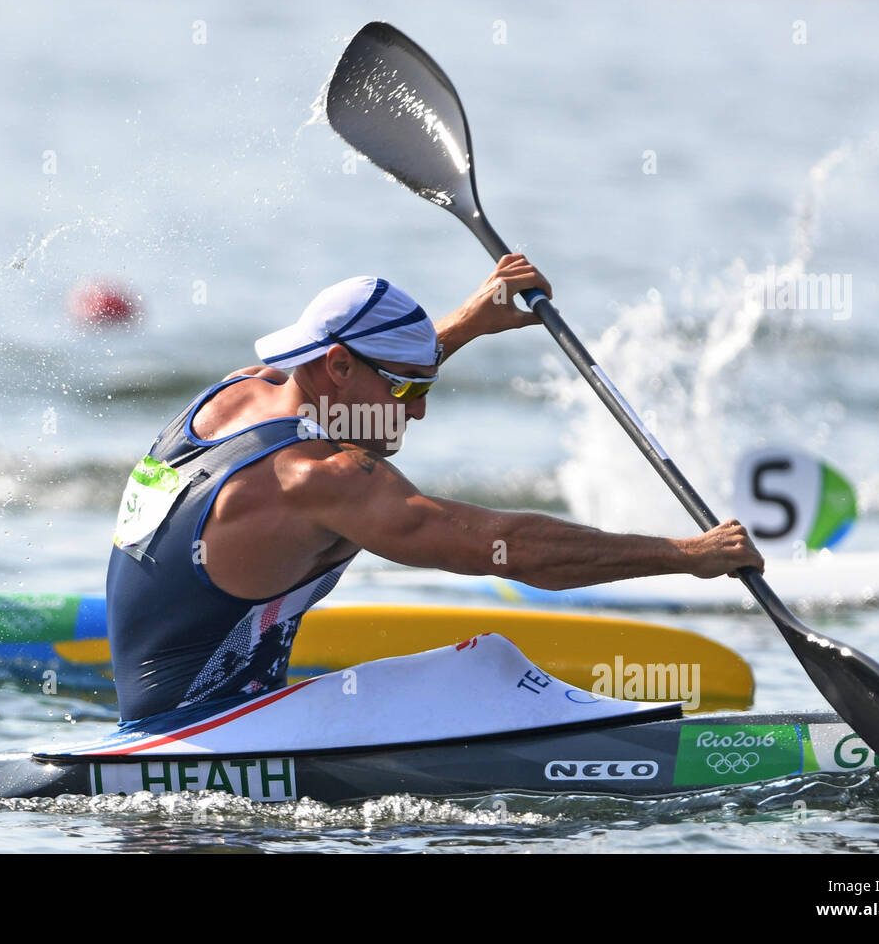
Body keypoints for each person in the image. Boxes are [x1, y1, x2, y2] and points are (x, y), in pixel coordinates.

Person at [106, 254, 764, 722]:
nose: (417, 411)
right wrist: (683, 555)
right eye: (410, 391)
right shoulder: (327, 483)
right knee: (487, 674)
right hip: (207, 732)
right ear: (337, 364)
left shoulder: (244, 389)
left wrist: (472, 321)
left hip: (167, 709)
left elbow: (360, 378)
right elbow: (503, 546)